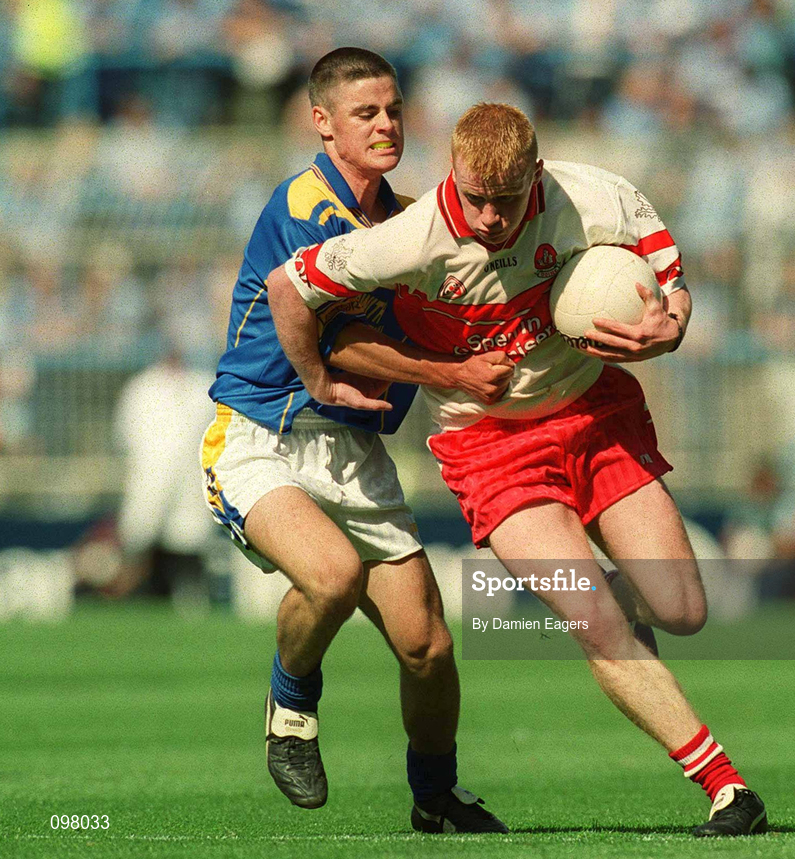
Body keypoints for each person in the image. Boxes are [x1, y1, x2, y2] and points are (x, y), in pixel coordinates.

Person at [266, 102, 769, 837]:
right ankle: (729, 790)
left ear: (537, 174)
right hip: (491, 448)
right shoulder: (408, 240)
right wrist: (320, 376)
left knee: (682, 610)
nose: (493, 216)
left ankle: (618, 616)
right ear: (453, 176)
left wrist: (672, 324)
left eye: (508, 200)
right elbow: (291, 285)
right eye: (476, 198)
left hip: (595, 415)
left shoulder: (596, 197)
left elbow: (671, 277)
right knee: (593, 620)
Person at [201, 48, 510, 833]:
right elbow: (335, 342)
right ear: (323, 122)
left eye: (393, 110)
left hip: (353, 451)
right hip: (262, 433)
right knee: (332, 575)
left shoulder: (403, 220)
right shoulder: (308, 204)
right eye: (365, 112)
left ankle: (435, 796)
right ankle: (291, 709)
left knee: (430, 646)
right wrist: (456, 372)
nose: (384, 124)